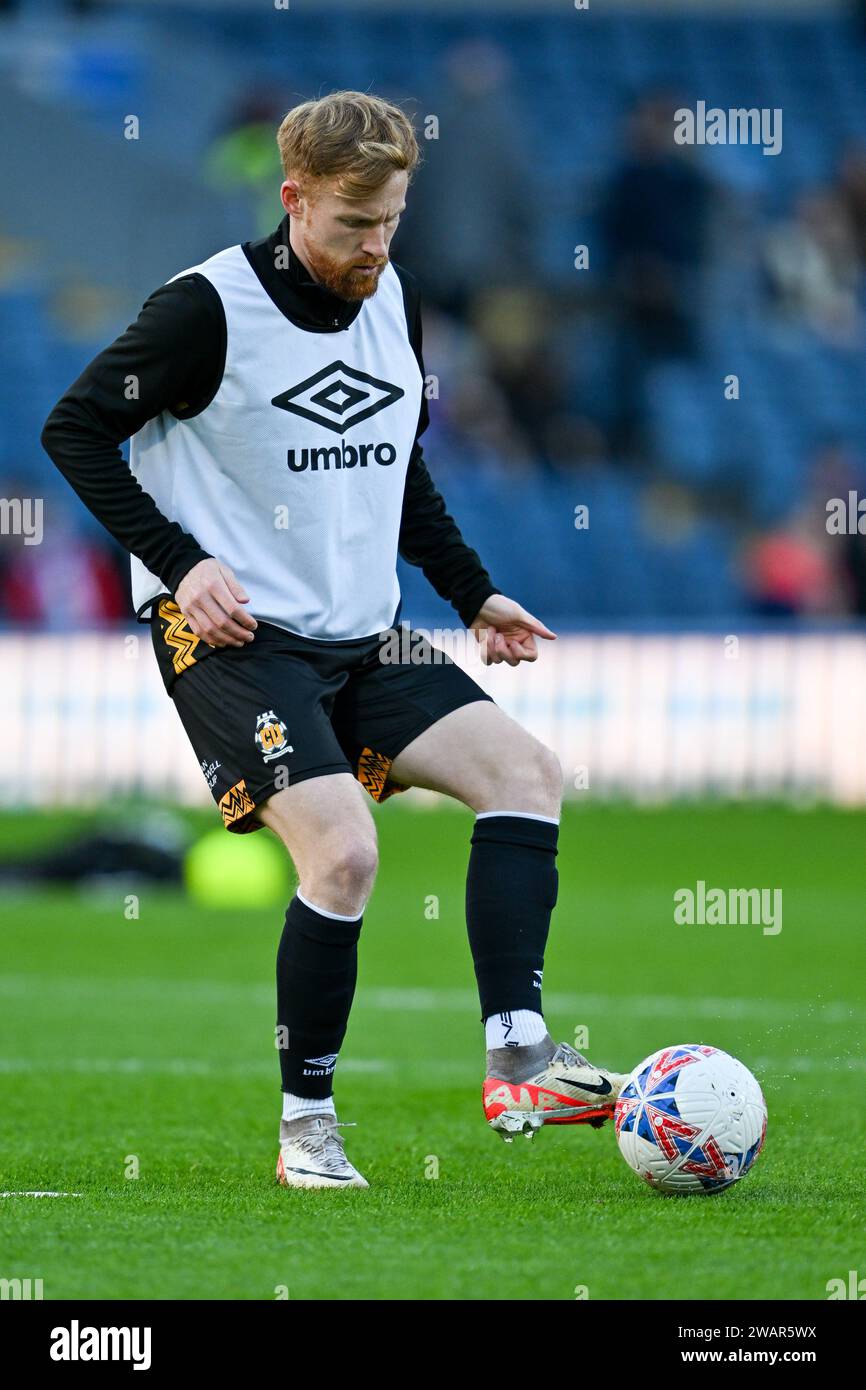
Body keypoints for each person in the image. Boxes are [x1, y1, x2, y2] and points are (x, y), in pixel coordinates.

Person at [42, 90, 626, 1190]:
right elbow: (72, 428)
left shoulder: (390, 294)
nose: (376, 245)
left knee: (525, 773)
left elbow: (395, 463)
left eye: (392, 220)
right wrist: (182, 563)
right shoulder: (204, 310)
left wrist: (471, 592)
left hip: (362, 633)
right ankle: (305, 1125)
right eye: (354, 222)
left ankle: (516, 1055)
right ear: (293, 197)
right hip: (233, 636)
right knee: (346, 852)